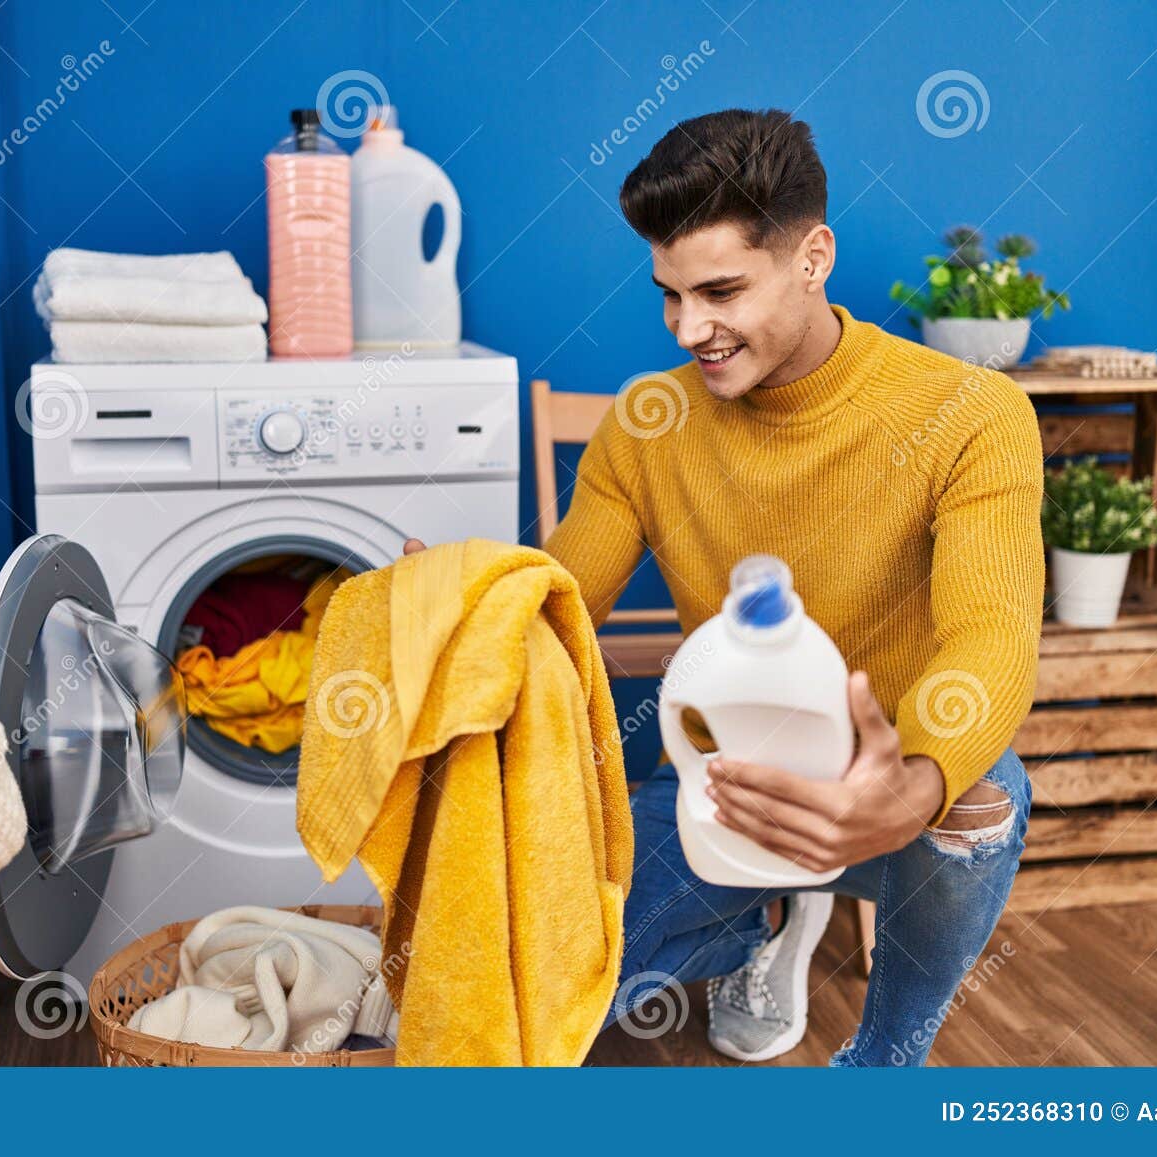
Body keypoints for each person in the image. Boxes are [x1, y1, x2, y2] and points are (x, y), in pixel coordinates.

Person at [407, 107, 1042, 1066]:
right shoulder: (648, 424)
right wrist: (455, 605)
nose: (688, 328)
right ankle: (766, 923)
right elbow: (563, 601)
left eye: (720, 291)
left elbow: (991, 637)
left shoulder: (970, 415)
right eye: (668, 294)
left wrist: (910, 787)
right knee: (538, 979)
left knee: (983, 795)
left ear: (813, 256)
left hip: (894, 793)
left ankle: (884, 1062)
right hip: (728, 781)